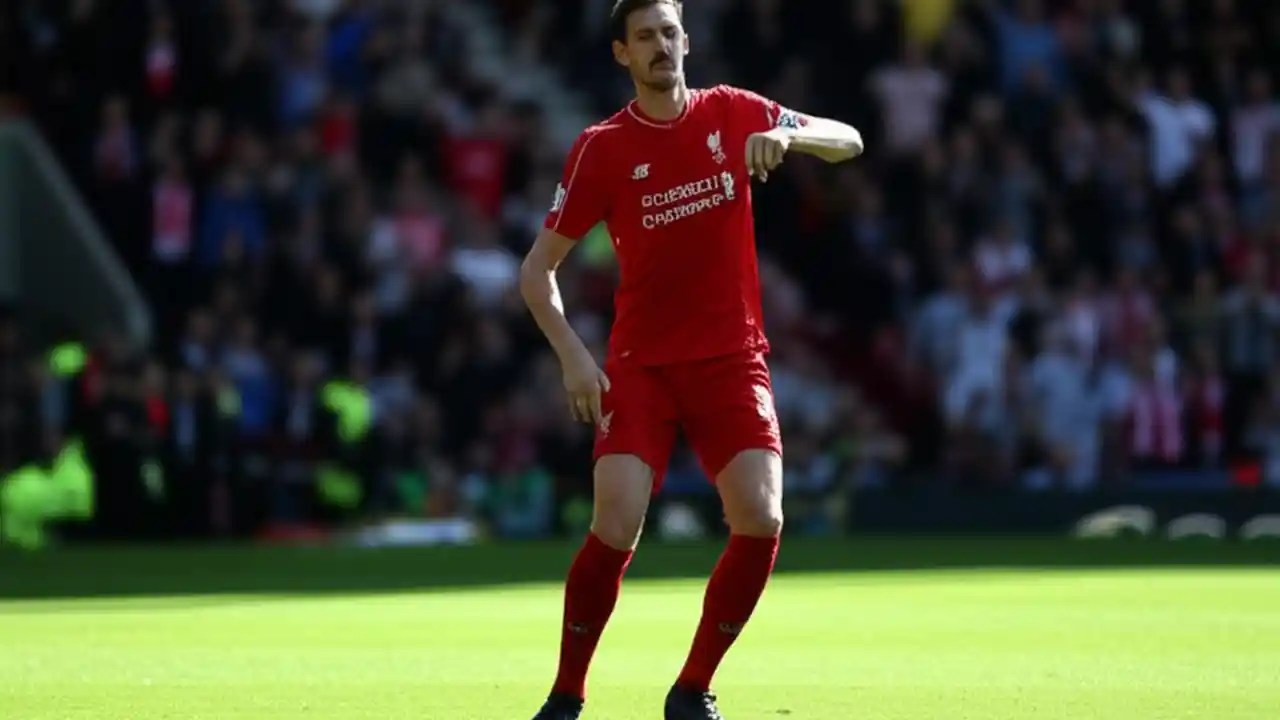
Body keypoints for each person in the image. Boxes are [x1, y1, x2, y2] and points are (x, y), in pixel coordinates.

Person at [520, 2, 864, 718]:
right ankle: (566, 693)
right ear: (621, 54)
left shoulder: (734, 112)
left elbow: (850, 140)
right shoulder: (602, 147)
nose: (660, 47)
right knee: (615, 522)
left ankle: (692, 687)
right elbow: (535, 272)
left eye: (670, 33)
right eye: (644, 37)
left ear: (687, 42)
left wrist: (785, 135)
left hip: (731, 358)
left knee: (762, 518)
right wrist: (575, 361)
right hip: (641, 366)